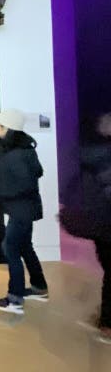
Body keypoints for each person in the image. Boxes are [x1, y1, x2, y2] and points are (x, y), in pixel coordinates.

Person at [0, 108, 49, 315]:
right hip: (26, 208)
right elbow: (36, 174)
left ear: (9, 129)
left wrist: (1, 192)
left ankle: (14, 299)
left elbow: (24, 184)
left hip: (20, 210)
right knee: (24, 246)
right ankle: (39, 287)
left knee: (10, 248)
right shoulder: (25, 149)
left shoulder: (15, 155)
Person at [59, 113, 111, 343]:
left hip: (100, 225)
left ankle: (106, 321)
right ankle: (107, 323)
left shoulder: (91, 156)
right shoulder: (104, 158)